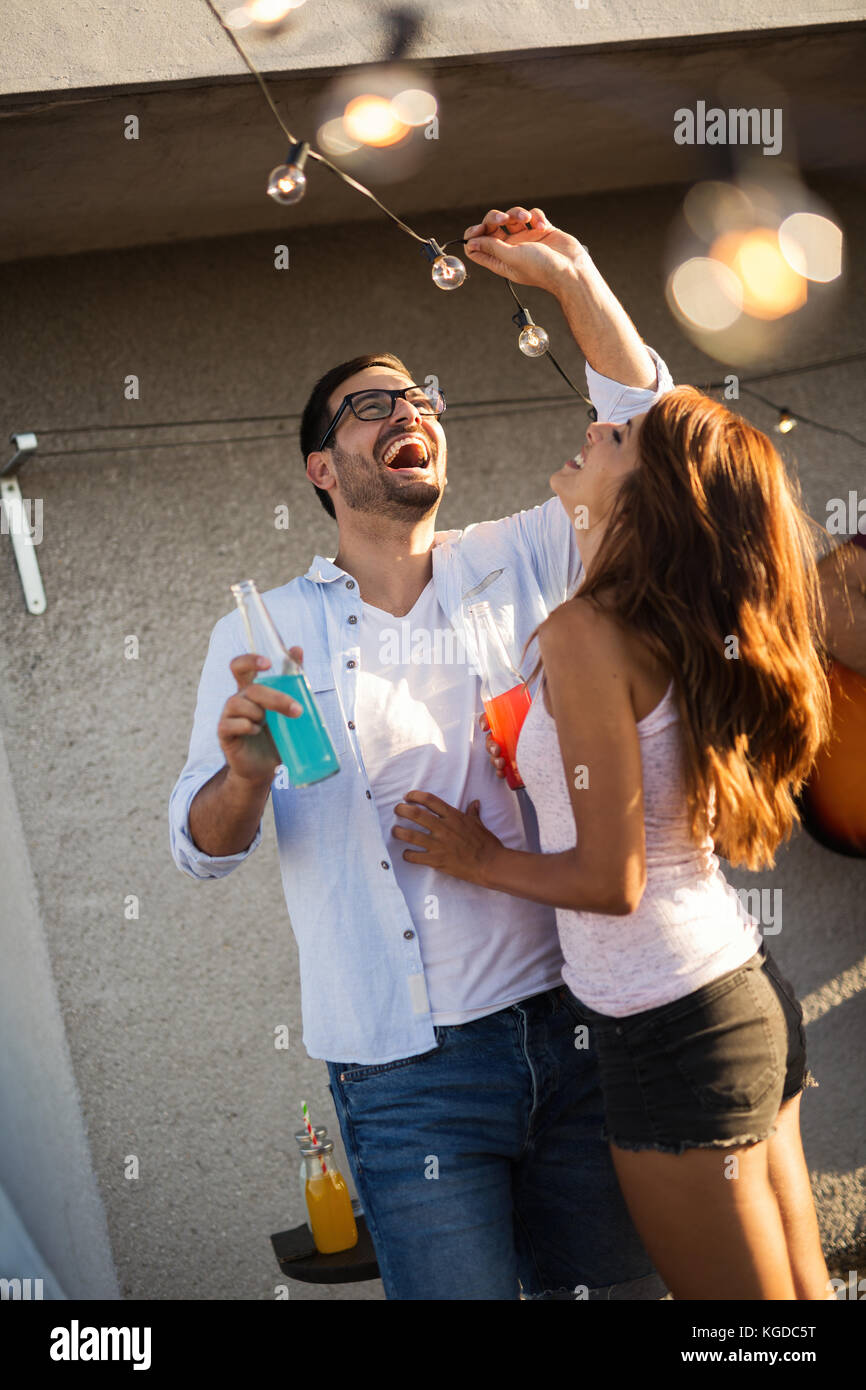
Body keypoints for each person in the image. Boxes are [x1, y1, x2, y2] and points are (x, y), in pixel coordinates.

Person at [169, 203, 675, 1300]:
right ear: (321, 464)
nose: (407, 408)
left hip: (572, 1026)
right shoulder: (259, 634)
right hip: (407, 1077)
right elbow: (200, 849)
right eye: (369, 405)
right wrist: (247, 772)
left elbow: (651, 436)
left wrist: (573, 277)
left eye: (416, 396)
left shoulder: (521, 555)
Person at [394, 217, 835, 1298]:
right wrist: (571, 275)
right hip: (728, 994)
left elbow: (606, 878)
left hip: (674, 1029)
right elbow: (647, 414)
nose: (594, 430)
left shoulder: (587, 632)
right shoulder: (656, 615)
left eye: (614, 438)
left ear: (645, 495)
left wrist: (469, 853)